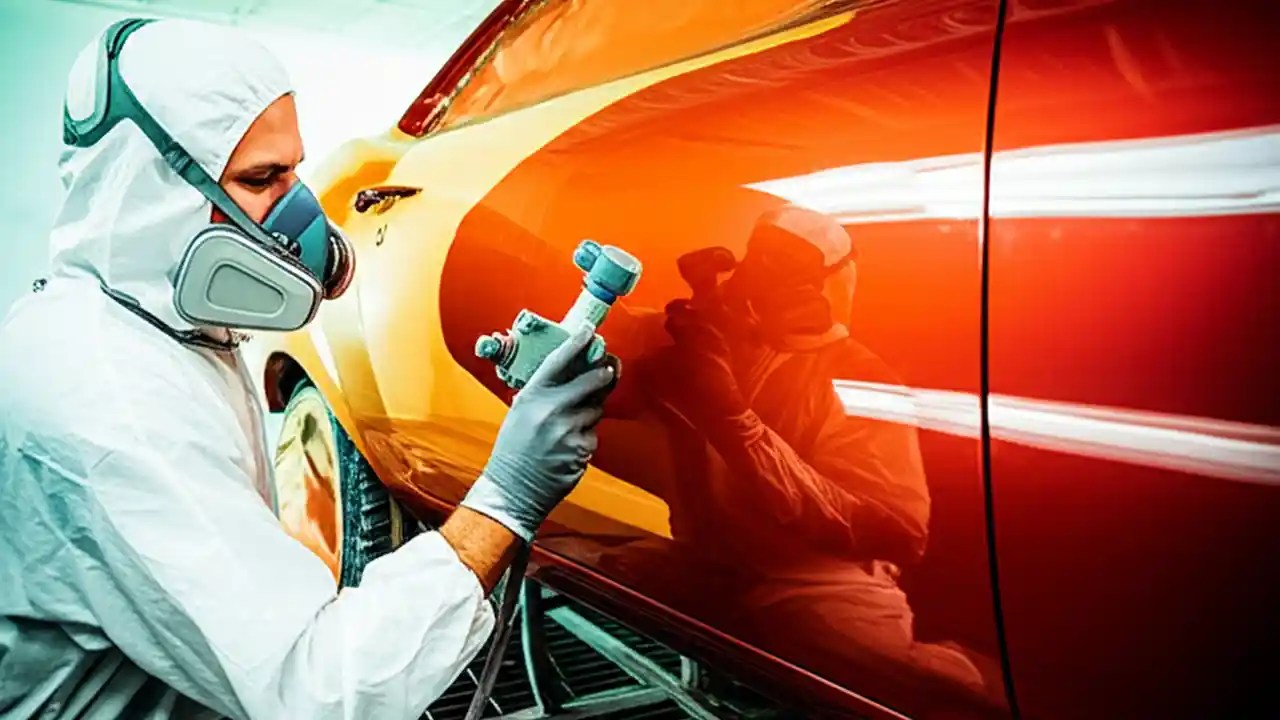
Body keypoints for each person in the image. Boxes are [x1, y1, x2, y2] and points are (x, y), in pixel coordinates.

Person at [0, 18, 613, 720]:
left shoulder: (138, 323)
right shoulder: (109, 406)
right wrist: (505, 500)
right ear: (155, 196)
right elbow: (317, 690)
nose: (298, 218)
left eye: (295, 170)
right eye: (263, 179)